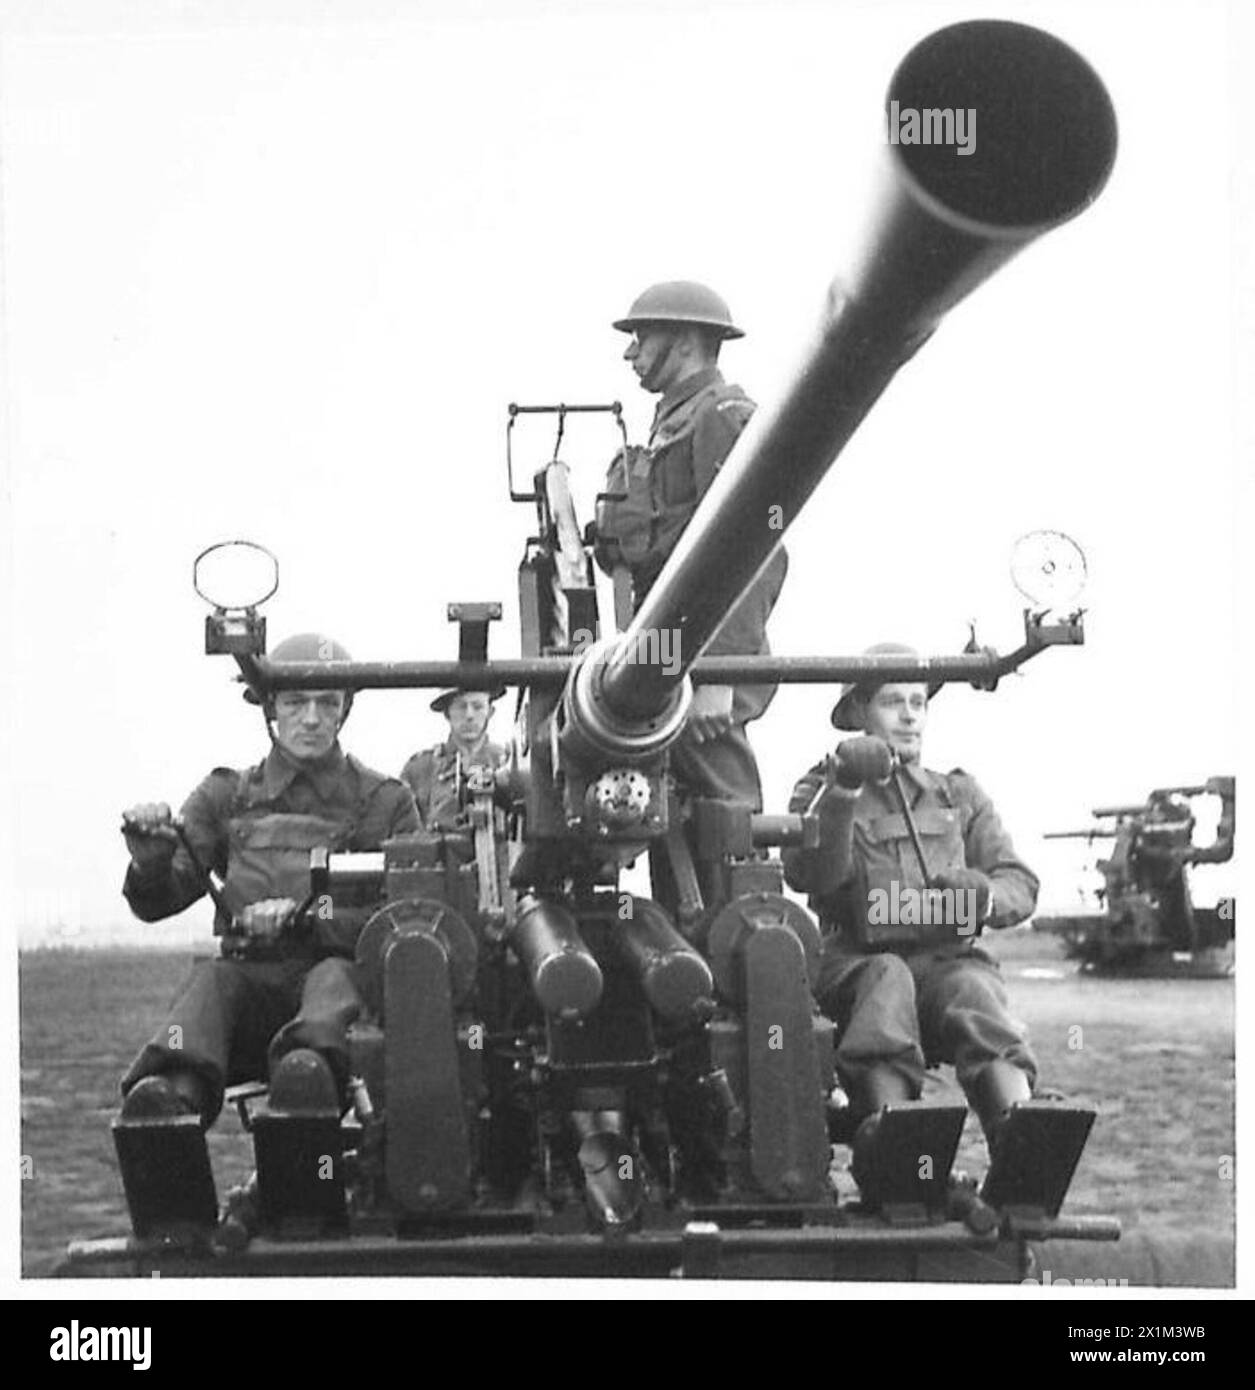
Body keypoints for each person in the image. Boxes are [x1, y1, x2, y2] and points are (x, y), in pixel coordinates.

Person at [118, 632, 420, 1136]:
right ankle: (170, 1105)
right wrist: (150, 863)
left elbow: (407, 918)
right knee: (210, 983)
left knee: (331, 989)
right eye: (296, 702)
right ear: (270, 707)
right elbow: (161, 901)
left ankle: (306, 1087)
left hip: (337, 992)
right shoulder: (224, 796)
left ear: (344, 711)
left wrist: (312, 918)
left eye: (327, 703)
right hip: (248, 986)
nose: (311, 717)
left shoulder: (385, 802)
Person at [782, 643, 1043, 1186]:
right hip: (854, 965)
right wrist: (843, 792)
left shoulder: (958, 793)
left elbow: (1019, 881)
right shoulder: (819, 790)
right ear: (857, 713)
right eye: (892, 702)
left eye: (918, 703)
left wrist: (983, 899)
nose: (908, 716)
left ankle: (1023, 1144)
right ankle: (895, 1144)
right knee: (889, 980)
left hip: (943, 964)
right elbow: (814, 876)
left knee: (973, 991)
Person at [594, 282, 787, 900]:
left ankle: (757, 971)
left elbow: (759, 550)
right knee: (668, 830)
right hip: (659, 663)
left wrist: (718, 675)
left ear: (682, 340)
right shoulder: (666, 426)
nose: (630, 354)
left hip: (702, 670)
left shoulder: (722, 417)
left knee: (724, 827)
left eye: (639, 339)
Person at [400, 686, 508, 831]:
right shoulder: (420, 768)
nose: (469, 715)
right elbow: (402, 834)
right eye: (461, 707)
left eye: (477, 707)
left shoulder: (507, 764)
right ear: (447, 713)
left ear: (490, 712)